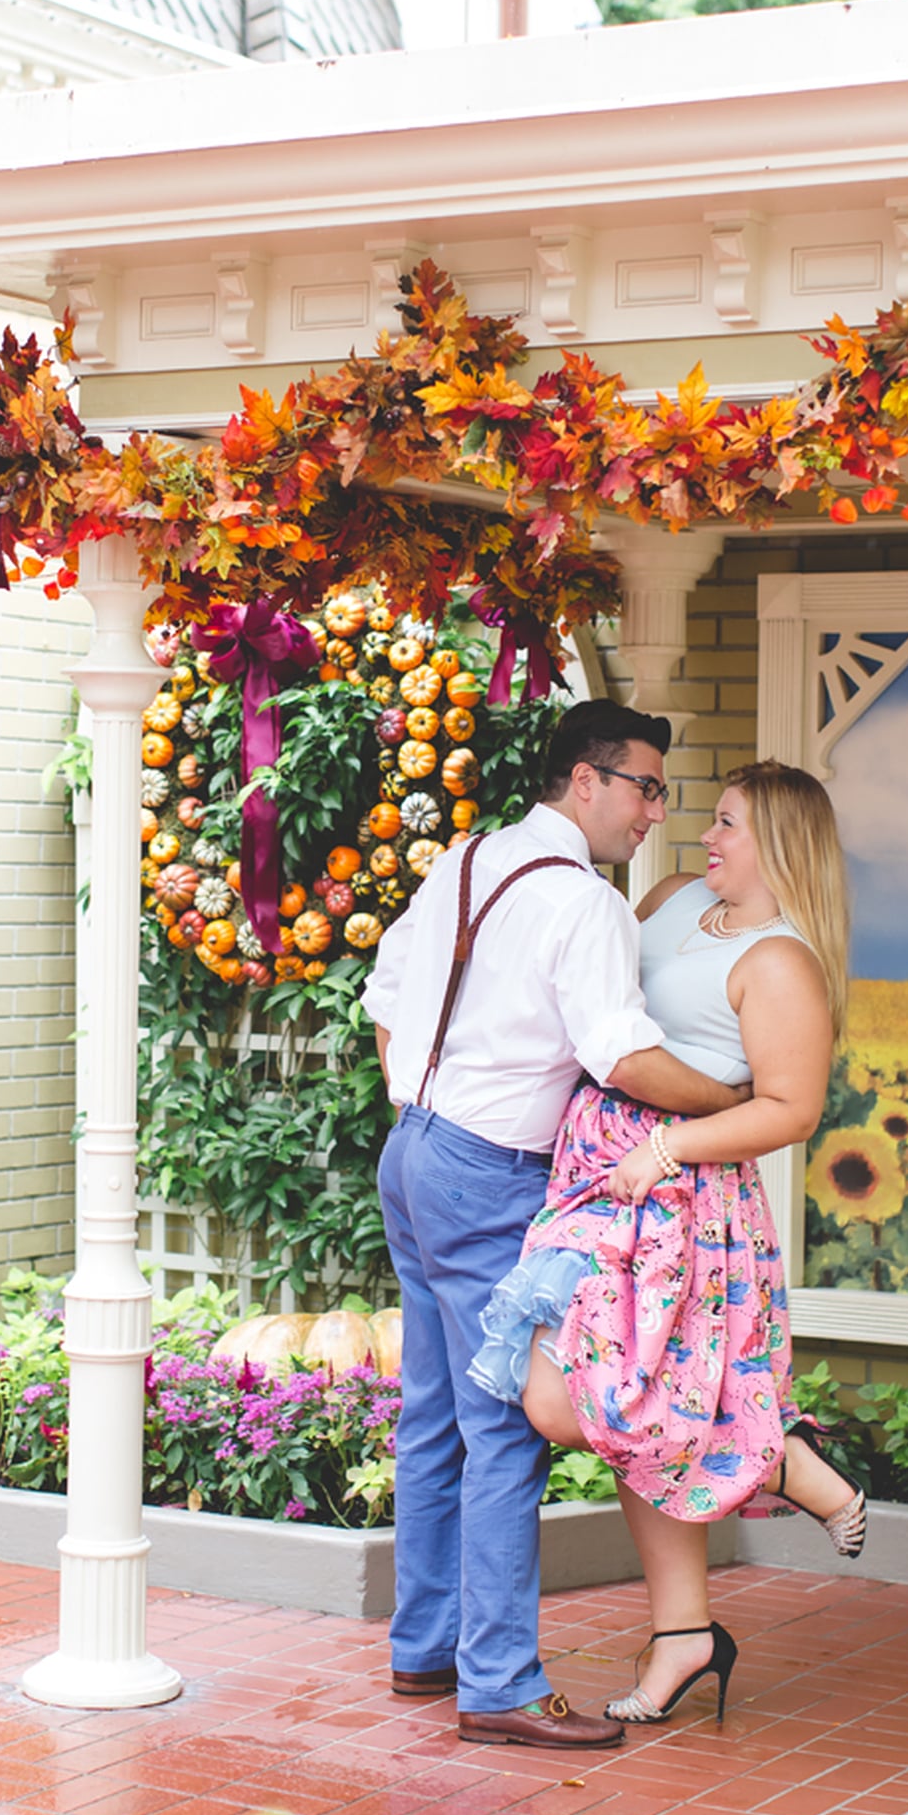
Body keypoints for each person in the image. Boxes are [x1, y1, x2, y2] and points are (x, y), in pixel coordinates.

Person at [364, 699, 747, 1752]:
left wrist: (427, 1090)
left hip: (416, 1149)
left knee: (438, 1409)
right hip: (488, 1170)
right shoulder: (582, 902)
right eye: (646, 787)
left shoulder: (471, 861)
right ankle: (497, 1683)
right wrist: (730, 1101)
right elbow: (621, 1055)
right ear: (587, 779)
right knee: (504, 1426)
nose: (654, 811)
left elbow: (384, 992)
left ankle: (424, 1648)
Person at [470, 759, 864, 1729]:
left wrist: (668, 1146)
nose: (706, 839)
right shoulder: (673, 899)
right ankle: (684, 1628)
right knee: (629, 1395)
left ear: (776, 843)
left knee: (569, 1399)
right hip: (599, 1170)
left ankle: (772, 1459)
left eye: (726, 825)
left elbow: (791, 1109)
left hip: (677, 1199)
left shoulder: (781, 961)